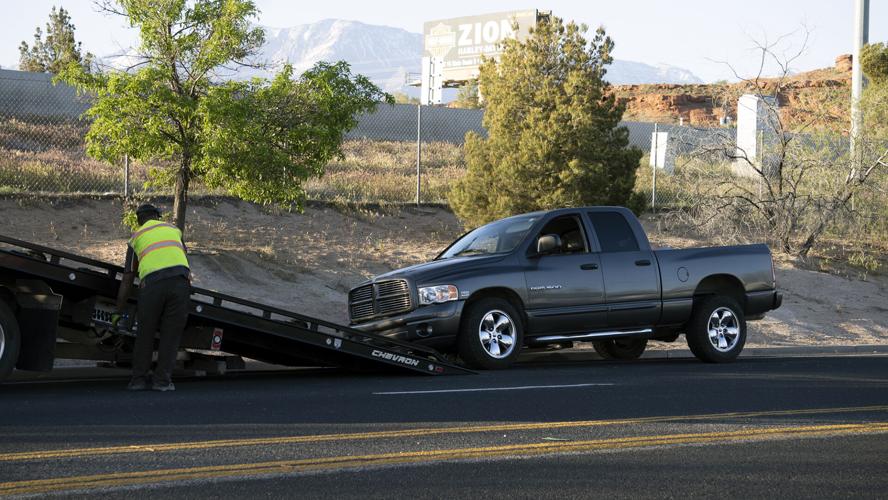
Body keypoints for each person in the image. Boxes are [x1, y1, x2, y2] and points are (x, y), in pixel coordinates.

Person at [114, 203, 191, 392]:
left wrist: (119, 310)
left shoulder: (136, 236)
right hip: (180, 284)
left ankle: (138, 381)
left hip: (152, 286)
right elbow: (183, 256)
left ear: (139, 220)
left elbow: (128, 277)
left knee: (145, 334)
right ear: (158, 216)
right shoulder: (174, 230)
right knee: (170, 335)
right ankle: (162, 382)